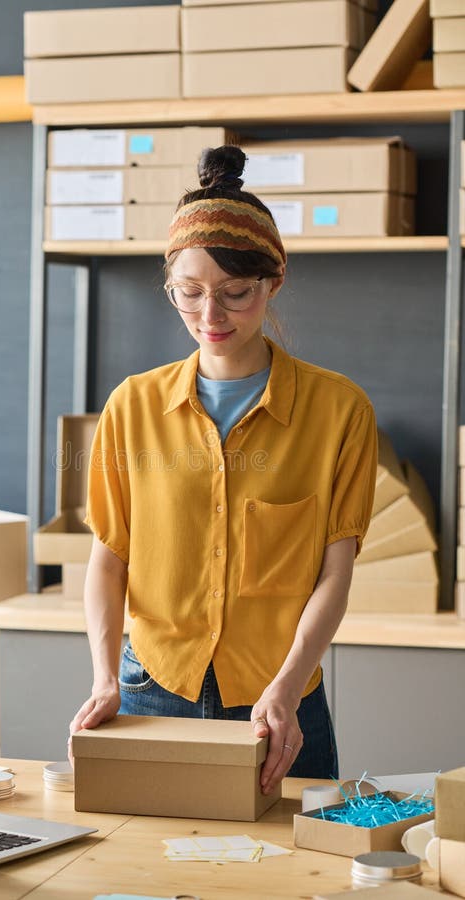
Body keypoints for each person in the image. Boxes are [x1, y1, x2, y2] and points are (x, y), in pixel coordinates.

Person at [68, 145, 377, 795]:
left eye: (235, 294)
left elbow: (335, 570)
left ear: (273, 282)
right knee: (147, 872)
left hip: (282, 696)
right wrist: (102, 678)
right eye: (189, 294)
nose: (211, 318)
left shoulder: (338, 410)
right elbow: (108, 557)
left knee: (292, 877)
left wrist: (289, 685)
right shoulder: (132, 405)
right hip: (149, 686)